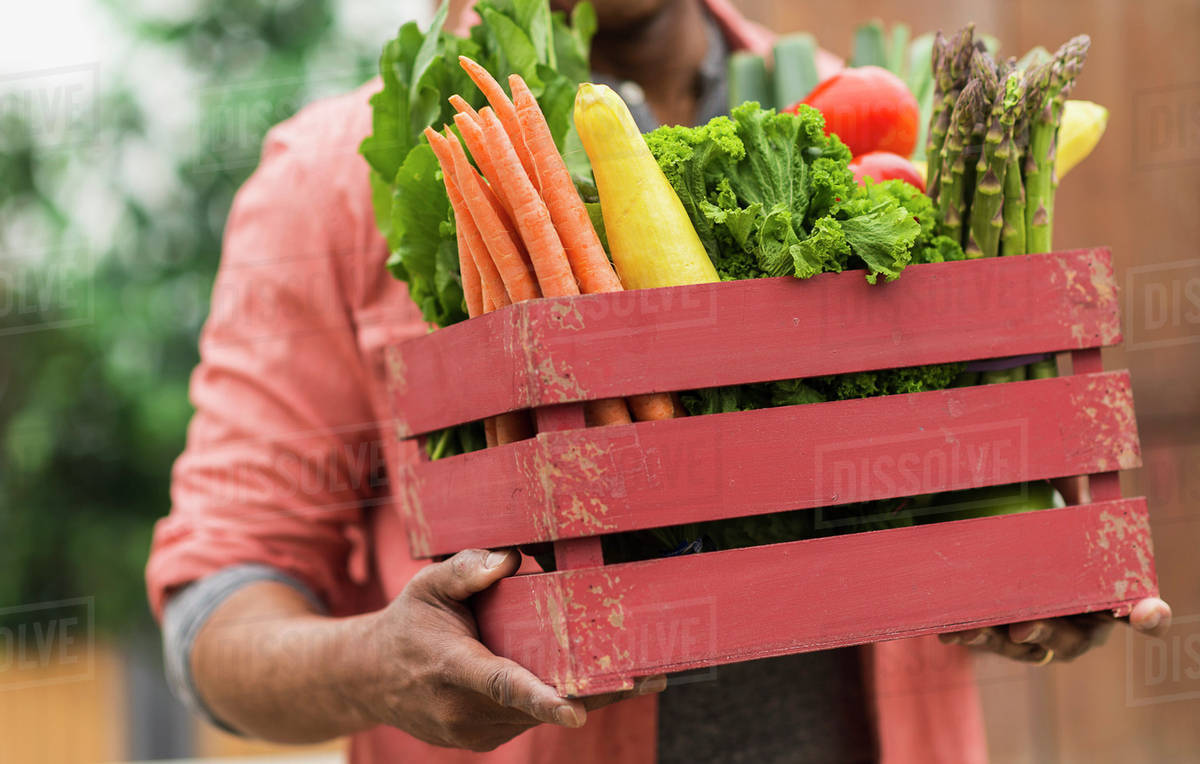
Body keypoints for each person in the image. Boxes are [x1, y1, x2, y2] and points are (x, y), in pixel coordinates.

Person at [145, 0, 1172, 761]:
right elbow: (214, 615)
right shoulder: (324, 186)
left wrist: (1047, 579)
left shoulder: (890, 120)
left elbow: (999, 459)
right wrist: (379, 664)